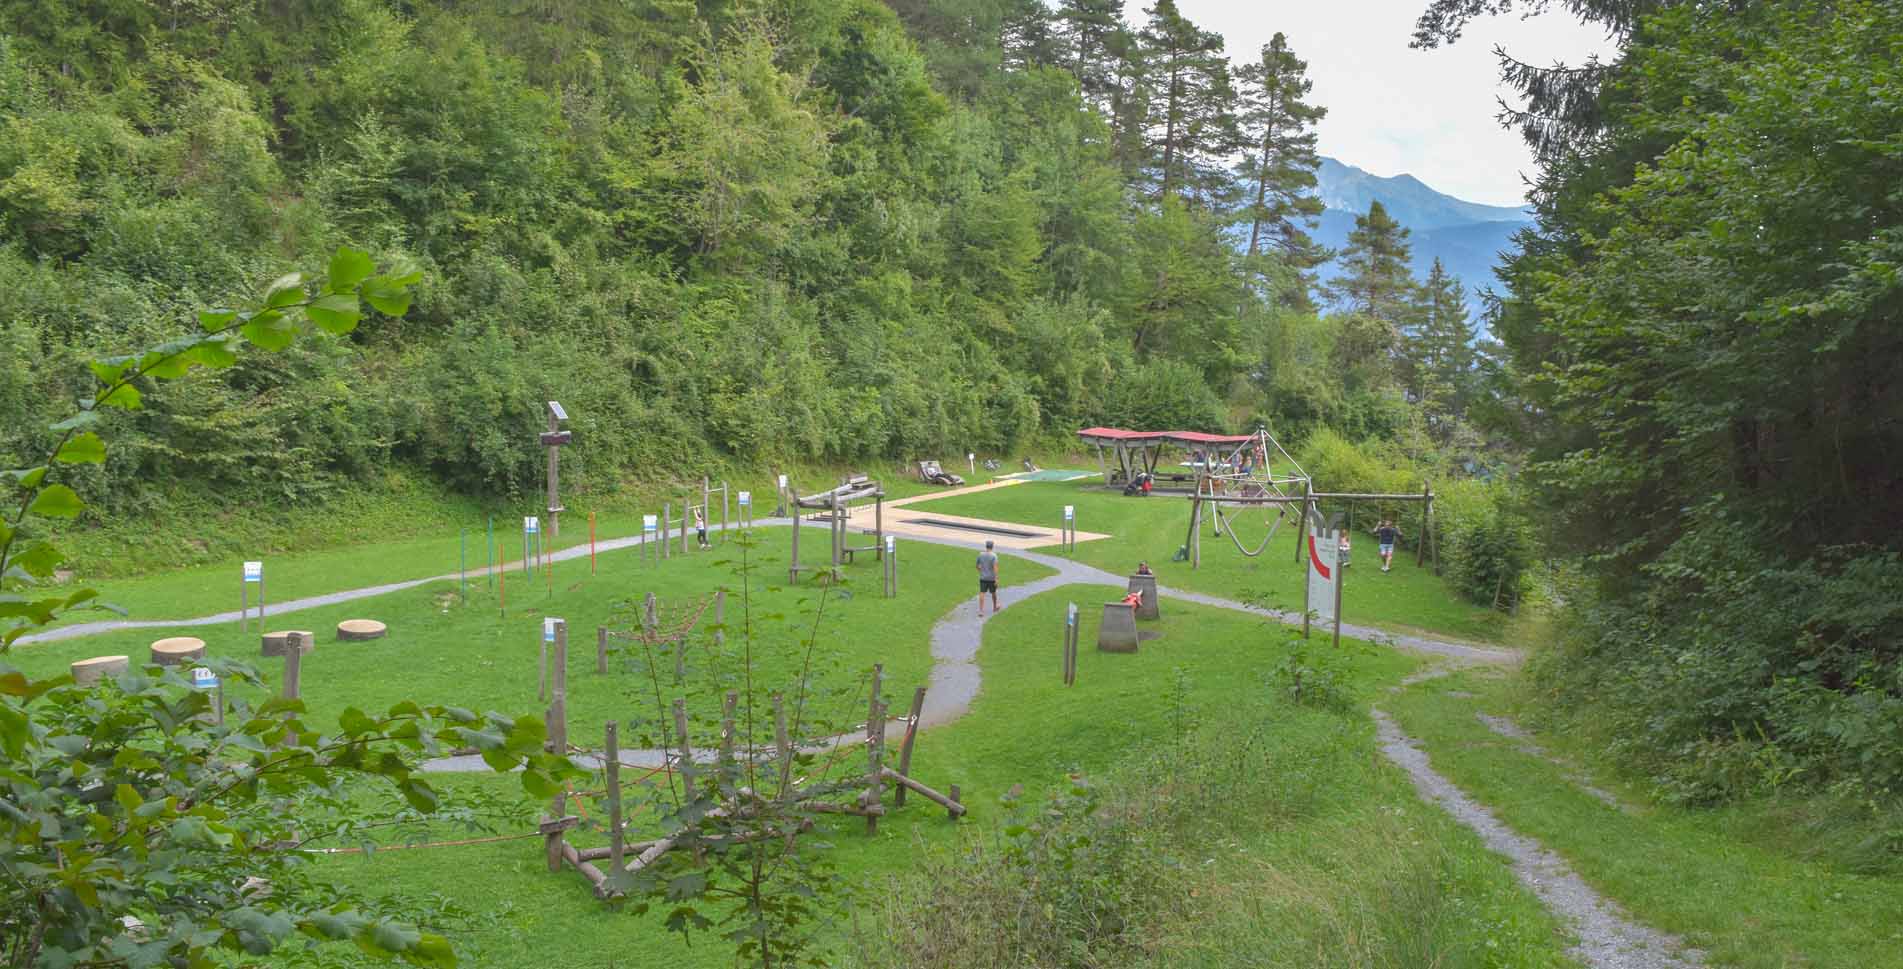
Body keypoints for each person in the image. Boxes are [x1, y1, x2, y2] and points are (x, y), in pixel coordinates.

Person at [976, 540, 1001, 616]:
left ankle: (981, 610)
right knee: (993, 593)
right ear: (992, 546)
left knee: (982, 593)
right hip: (991, 578)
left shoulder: (980, 554)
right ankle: (994, 607)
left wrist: (982, 571)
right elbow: (995, 568)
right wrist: (996, 578)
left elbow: (977, 566)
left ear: (986, 546)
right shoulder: (994, 556)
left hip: (983, 577)